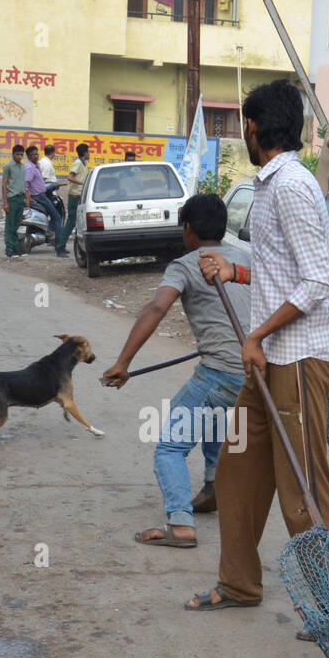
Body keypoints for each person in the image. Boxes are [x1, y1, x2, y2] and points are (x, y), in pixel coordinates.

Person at [186, 79, 329, 611]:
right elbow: (287, 274)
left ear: (254, 128)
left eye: (244, 128)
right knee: (236, 470)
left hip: (296, 358)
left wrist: (256, 334)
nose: (243, 136)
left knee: (304, 491)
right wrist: (235, 271)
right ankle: (238, 584)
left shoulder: (294, 187)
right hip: (271, 356)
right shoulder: (272, 185)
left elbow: (320, 282)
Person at [101, 194, 250, 547]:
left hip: (221, 371)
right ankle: (214, 487)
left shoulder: (186, 265)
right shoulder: (244, 259)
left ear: (188, 230)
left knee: (170, 447)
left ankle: (181, 524)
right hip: (253, 372)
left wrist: (123, 364)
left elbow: (156, 308)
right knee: (214, 414)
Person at [24, 145, 67, 258]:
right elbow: (25, 184)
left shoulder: (37, 165)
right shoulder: (30, 167)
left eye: (36, 154)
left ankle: (52, 237)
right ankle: (60, 248)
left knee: (53, 217)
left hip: (42, 194)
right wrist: (28, 198)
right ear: (28, 156)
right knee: (57, 218)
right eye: (33, 155)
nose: (35, 156)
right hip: (39, 197)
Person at [58, 142, 89, 253]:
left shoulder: (83, 164)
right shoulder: (78, 163)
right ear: (85, 152)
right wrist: (81, 183)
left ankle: (65, 247)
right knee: (71, 222)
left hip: (79, 197)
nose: (89, 153)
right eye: (88, 151)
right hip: (74, 196)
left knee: (76, 223)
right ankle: (60, 247)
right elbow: (70, 177)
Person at [1, 144, 27, 259]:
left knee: (17, 225)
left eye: (21, 155)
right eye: (17, 154)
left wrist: (27, 199)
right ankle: (9, 248)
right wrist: (5, 202)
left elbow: (24, 184)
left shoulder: (23, 167)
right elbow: (4, 184)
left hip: (20, 198)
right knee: (10, 225)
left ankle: (15, 247)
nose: (19, 157)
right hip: (12, 199)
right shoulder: (8, 166)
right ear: (13, 154)